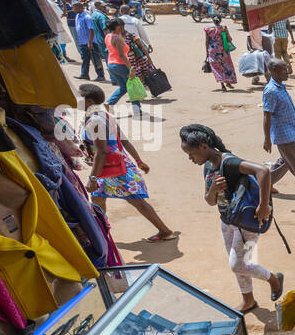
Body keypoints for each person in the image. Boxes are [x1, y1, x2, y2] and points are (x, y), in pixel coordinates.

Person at [180, 123, 282, 312]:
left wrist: (263, 205)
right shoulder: (207, 168)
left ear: (204, 146)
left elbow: (263, 171)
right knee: (240, 263)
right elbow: (210, 201)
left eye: (192, 154)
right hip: (227, 221)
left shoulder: (229, 162)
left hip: (247, 223)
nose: (190, 159)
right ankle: (248, 299)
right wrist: (213, 189)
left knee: (238, 264)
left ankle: (273, 278)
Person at [79, 83, 177, 242]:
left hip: (111, 169)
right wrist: (138, 160)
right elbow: (124, 141)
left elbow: (102, 151)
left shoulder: (95, 121)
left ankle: (165, 231)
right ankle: (103, 235)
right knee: (98, 199)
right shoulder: (104, 116)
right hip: (113, 166)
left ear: (89, 101)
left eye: (79, 97)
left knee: (136, 201)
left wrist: (92, 179)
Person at [262, 59, 295, 203]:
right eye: (284, 70)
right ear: (274, 70)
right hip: (283, 135)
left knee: (286, 162)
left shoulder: (280, 86)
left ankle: (264, 184)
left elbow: (285, 110)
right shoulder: (271, 91)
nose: (287, 72)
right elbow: (267, 116)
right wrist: (267, 139)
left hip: (291, 130)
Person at [102, 19, 141, 115]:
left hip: (112, 65)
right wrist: (131, 68)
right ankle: (137, 110)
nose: (123, 28)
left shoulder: (108, 36)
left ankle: (109, 103)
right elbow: (121, 55)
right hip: (121, 65)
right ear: (118, 27)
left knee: (124, 88)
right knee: (133, 87)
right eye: (121, 26)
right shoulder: (117, 39)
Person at [74, 0, 104, 80]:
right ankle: (84, 74)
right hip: (82, 42)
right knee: (85, 59)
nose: (74, 10)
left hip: (90, 42)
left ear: (80, 8)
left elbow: (92, 29)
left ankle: (101, 76)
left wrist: (90, 42)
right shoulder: (77, 16)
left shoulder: (87, 17)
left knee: (95, 59)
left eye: (75, 8)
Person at [205, 17, 237, 91]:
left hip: (213, 51)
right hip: (223, 51)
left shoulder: (208, 29)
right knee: (227, 66)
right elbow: (230, 39)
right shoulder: (223, 28)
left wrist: (207, 51)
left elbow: (207, 41)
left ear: (213, 21)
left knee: (217, 68)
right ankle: (228, 81)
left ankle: (222, 84)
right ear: (220, 20)